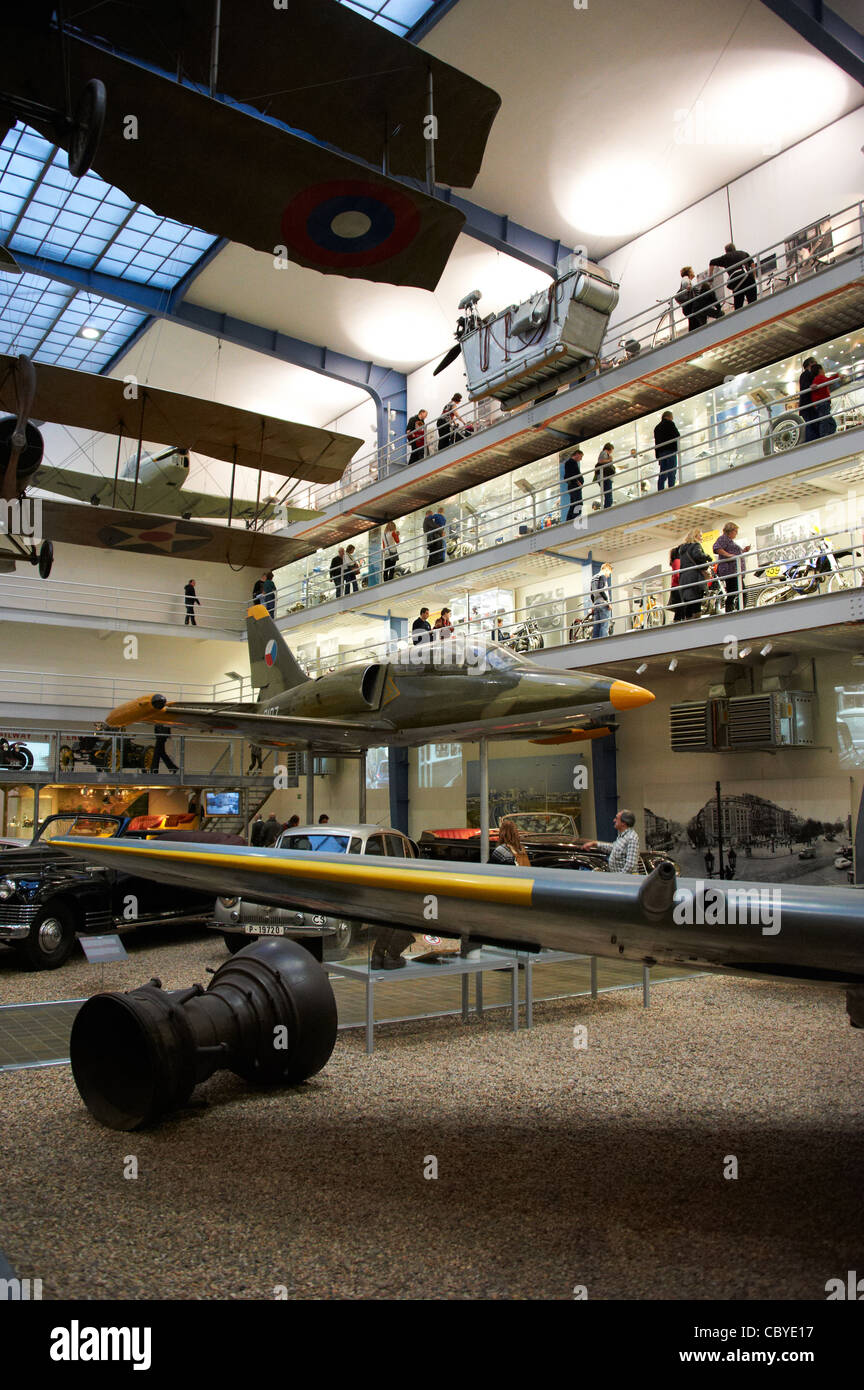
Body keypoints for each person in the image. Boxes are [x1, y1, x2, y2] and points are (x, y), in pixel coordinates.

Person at [713, 521, 750, 613]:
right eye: (735, 532)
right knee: (740, 592)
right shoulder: (723, 539)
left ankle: (734, 609)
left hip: (734, 571)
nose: (736, 534)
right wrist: (728, 555)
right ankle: (738, 610)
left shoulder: (729, 541)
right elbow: (716, 548)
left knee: (735, 592)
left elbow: (734, 552)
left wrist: (743, 551)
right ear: (730, 531)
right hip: (730, 571)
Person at [709, 243, 757, 310]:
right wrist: (753, 277)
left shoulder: (725, 257)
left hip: (737, 283)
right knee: (753, 303)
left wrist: (710, 276)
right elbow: (752, 264)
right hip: (749, 279)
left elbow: (711, 262)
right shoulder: (743, 253)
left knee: (738, 306)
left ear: (726, 251)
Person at [677, 529, 711, 619]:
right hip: (695, 577)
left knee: (688, 603)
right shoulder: (696, 545)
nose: (701, 538)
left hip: (684, 578)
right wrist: (707, 557)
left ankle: (688, 621)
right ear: (695, 537)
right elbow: (698, 556)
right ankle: (697, 621)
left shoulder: (682, 549)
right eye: (700, 536)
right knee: (696, 602)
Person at [808, 359, 840, 440]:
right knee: (825, 420)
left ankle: (828, 435)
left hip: (821, 403)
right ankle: (824, 437)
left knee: (830, 422)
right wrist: (837, 376)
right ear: (820, 370)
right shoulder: (819, 378)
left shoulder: (816, 379)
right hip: (822, 403)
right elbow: (828, 381)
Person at [653, 411, 680, 490]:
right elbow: (677, 435)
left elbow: (656, 442)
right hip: (670, 450)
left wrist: (657, 456)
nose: (672, 419)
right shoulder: (670, 423)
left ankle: (660, 489)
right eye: (672, 417)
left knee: (663, 472)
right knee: (671, 471)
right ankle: (671, 489)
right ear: (669, 417)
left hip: (661, 453)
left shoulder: (657, 428)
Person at [798, 358, 819, 443]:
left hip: (808, 406)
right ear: (810, 364)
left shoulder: (807, 375)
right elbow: (804, 387)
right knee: (811, 424)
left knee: (812, 423)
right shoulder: (805, 375)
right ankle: (811, 442)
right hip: (808, 406)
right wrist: (811, 386)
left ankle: (812, 441)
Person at [591, 562, 613, 639]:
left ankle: (595, 643)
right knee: (604, 626)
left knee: (597, 627)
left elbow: (592, 593)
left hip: (596, 604)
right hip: (603, 604)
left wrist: (593, 603)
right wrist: (608, 602)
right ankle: (604, 642)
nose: (608, 575)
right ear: (606, 569)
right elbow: (601, 589)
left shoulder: (593, 578)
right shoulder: (602, 576)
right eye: (609, 573)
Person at [562, 448, 584, 520]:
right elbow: (571, 475)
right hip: (574, 486)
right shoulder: (571, 462)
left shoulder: (571, 462)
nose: (581, 459)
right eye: (581, 456)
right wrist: (578, 482)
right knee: (577, 503)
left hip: (574, 486)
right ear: (577, 454)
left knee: (575, 503)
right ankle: (575, 518)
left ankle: (571, 519)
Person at [594, 443, 615, 510]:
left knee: (607, 494)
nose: (611, 452)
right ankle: (607, 509)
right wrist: (610, 460)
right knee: (608, 495)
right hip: (605, 477)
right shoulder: (604, 453)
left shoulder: (604, 453)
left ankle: (607, 508)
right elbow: (600, 461)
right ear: (610, 449)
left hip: (603, 477)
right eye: (611, 450)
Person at [668, 545, 684, 621]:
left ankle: (678, 621)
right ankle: (677, 621)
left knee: (680, 608)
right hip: (678, 587)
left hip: (677, 587)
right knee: (680, 608)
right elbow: (677, 575)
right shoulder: (677, 561)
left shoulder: (675, 561)